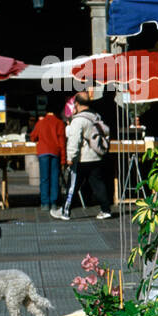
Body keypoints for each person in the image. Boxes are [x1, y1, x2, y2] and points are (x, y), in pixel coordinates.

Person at [53, 91, 113, 220]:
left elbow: (74, 140)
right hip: (96, 156)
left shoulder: (78, 120)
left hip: (82, 158)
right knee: (98, 184)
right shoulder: (96, 116)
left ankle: (65, 211)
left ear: (77, 103)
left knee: (72, 186)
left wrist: (70, 157)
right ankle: (106, 209)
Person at [29, 103, 67, 214]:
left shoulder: (40, 123)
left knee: (44, 178)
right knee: (54, 177)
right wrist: (63, 159)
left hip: (43, 152)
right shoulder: (59, 123)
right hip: (55, 152)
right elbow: (62, 143)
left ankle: (45, 203)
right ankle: (54, 202)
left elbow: (32, 137)